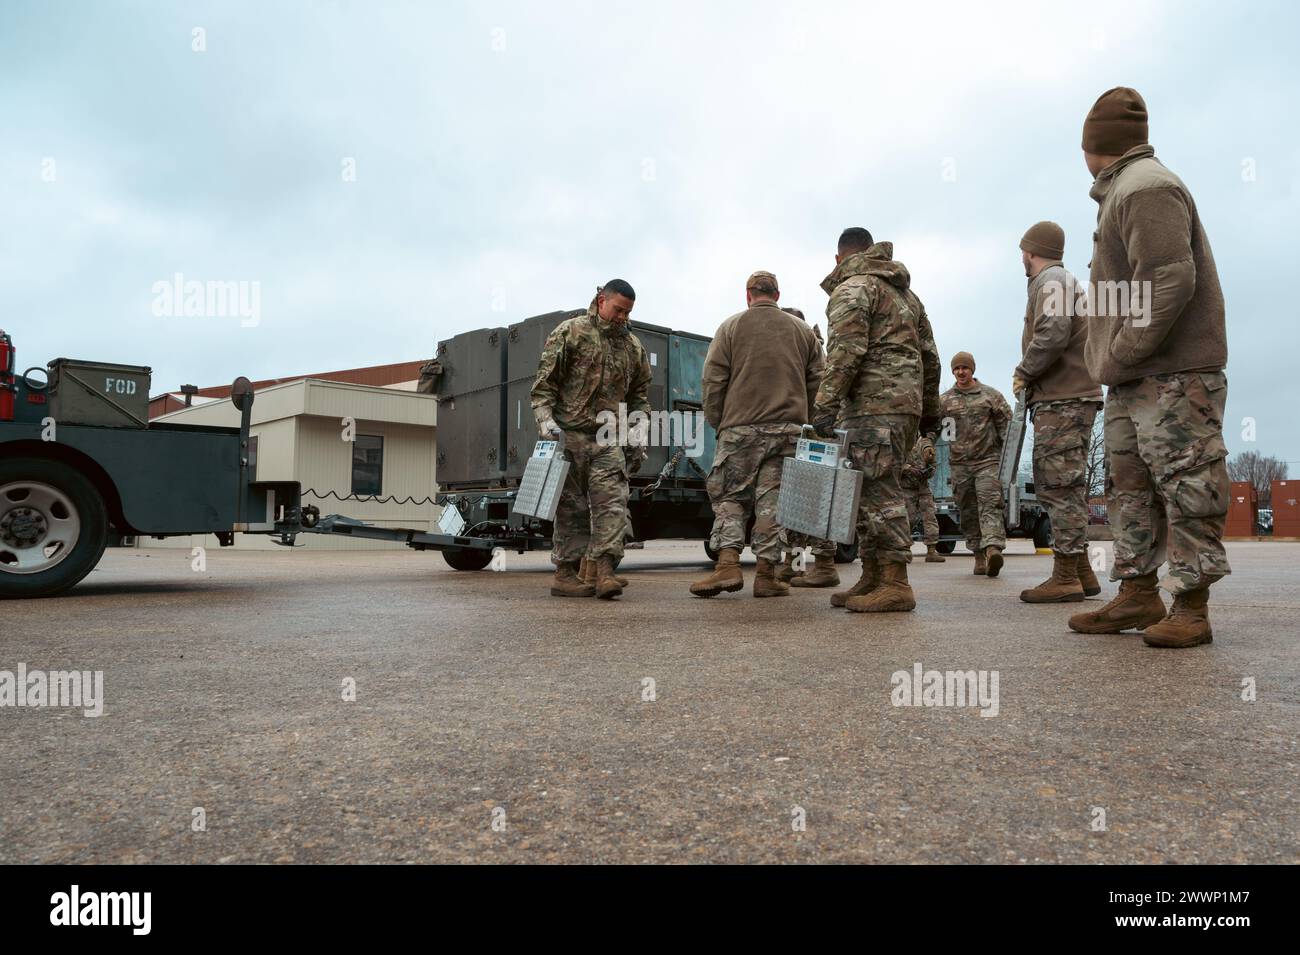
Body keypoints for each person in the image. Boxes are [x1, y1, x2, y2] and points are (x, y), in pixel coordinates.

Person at [1066, 87, 1230, 648]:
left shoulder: (1146, 187)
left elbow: (1169, 279)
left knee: (1187, 482)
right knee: (1129, 487)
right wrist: (1113, 361)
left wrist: (1126, 350)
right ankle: (1138, 593)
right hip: (1133, 377)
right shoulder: (1122, 193)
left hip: (1172, 373)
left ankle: (1191, 606)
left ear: (1096, 146)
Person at [811, 228, 942, 613]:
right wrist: (929, 410)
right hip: (905, 406)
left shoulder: (852, 289)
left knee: (879, 491)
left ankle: (897, 582)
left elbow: (846, 353)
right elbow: (931, 356)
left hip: (873, 405)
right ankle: (872, 576)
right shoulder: (906, 294)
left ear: (840, 258)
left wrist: (824, 405)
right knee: (866, 491)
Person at [692, 271, 824, 597]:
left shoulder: (730, 327)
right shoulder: (803, 332)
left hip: (740, 428)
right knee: (772, 504)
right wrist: (808, 422)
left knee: (730, 498)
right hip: (789, 431)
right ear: (777, 296)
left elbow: (713, 380)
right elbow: (819, 383)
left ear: (748, 294)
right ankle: (766, 576)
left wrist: (718, 420)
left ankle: (726, 565)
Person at [532, 280, 651, 599]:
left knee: (612, 502)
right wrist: (545, 421)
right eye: (618, 309)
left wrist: (638, 434)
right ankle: (565, 574)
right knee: (571, 507)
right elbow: (545, 385)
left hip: (607, 438)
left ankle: (605, 572)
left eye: (627, 312)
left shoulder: (632, 347)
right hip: (569, 436)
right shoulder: (570, 332)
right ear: (601, 301)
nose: (622, 317)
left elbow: (639, 395)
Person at [1013, 221, 1104, 602]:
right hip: (1067, 396)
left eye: (1022, 250)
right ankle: (1081, 572)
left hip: (1064, 399)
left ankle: (1065, 575)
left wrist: (1023, 371)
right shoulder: (1058, 281)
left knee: (1058, 486)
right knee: (1064, 484)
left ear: (1030, 251)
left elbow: (1052, 333)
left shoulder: (1051, 281)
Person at [774, 305, 839, 588]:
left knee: (817, 503)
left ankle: (825, 565)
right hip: (798, 434)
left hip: (815, 436)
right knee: (794, 505)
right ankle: (794, 565)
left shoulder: (812, 352)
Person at [940, 353, 1011, 577]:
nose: (961, 372)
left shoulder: (991, 396)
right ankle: (978, 556)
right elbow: (937, 431)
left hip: (988, 461)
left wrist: (1007, 460)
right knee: (968, 510)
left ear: (972, 369)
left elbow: (1007, 429)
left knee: (990, 503)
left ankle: (992, 549)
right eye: (957, 368)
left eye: (965, 368)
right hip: (959, 464)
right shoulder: (945, 401)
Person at [901, 433, 945, 562]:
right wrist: (908, 469)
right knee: (908, 519)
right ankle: (904, 549)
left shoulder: (925, 444)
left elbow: (933, 467)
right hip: (907, 488)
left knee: (930, 517)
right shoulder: (902, 442)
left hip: (923, 487)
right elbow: (894, 462)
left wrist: (928, 469)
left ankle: (931, 550)